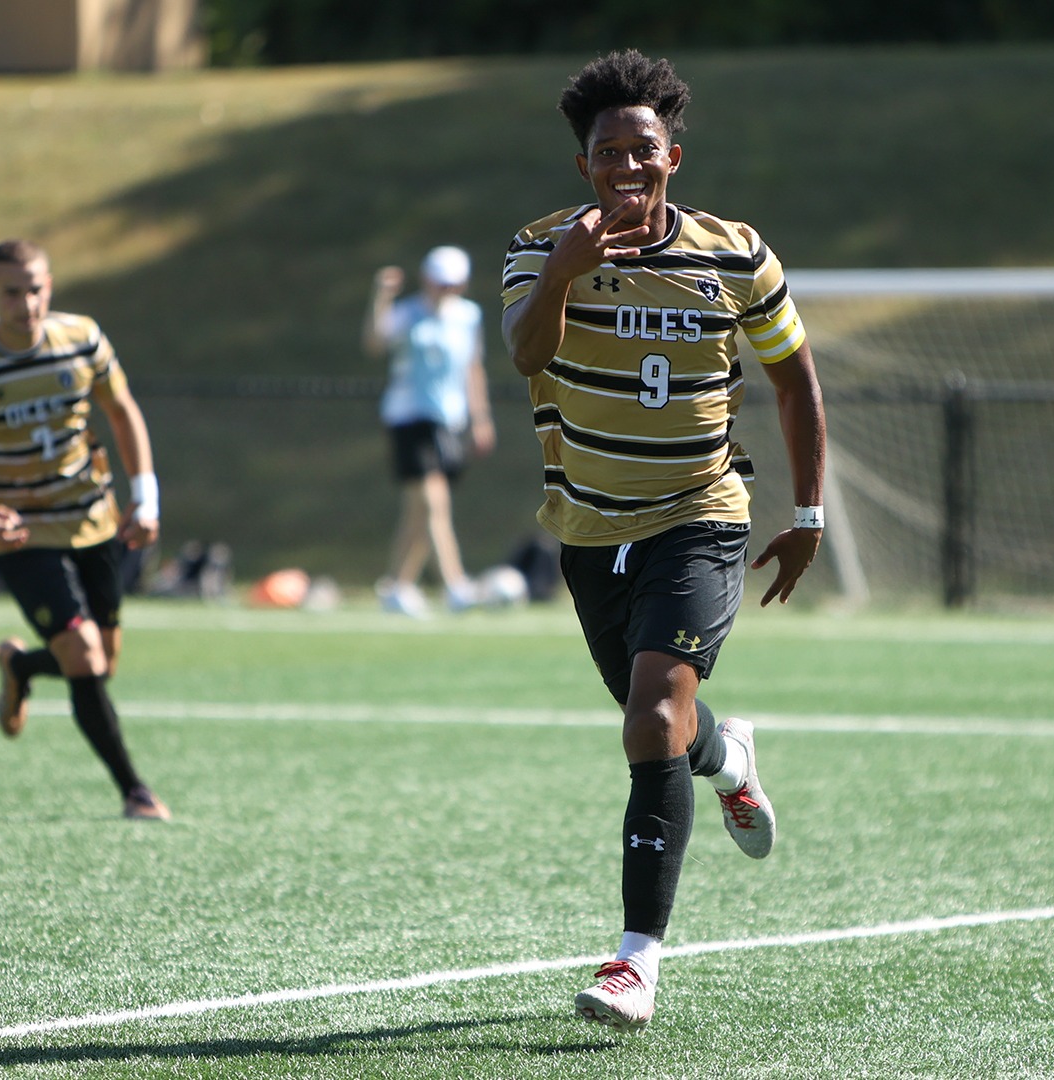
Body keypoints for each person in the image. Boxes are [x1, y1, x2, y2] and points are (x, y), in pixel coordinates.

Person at [500, 50, 827, 1031]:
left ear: (671, 156)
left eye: (643, 149)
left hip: (700, 516)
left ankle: (634, 963)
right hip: (589, 528)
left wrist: (808, 515)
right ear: (585, 165)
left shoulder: (737, 255)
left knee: (648, 722)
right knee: (668, 727)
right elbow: (526, 354)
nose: (627, 167)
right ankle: (731, 759)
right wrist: (567, 272)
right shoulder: (539, 245)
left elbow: (795, 381)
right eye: (608, 152)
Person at [0, 239, 172, 822]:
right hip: (21, 535)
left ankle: (21, 666)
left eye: (35, 289)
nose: (26, 303)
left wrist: (146, 498)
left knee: (102, 660)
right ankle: (134, 791)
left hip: (92, 518)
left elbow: (122, 410)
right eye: (12, 292)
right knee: (83, 656)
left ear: (49, 286)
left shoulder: (82, 339)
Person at [362, 245, 496, 617]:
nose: (446, 290)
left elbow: (473, 368)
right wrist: (381, 296)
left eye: (453, 284)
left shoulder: (468, 316)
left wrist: (480, 418)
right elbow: (374, 342)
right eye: (441, 283)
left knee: (417, 512)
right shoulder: (407, 313)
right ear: (426, 280)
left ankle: (397, 586)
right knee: (434, 502)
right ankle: (455, 584)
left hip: (448, 420)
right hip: (409, 418)